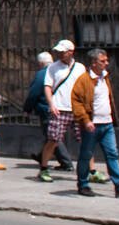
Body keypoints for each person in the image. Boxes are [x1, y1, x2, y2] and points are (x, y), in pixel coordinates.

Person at [70, 49, 119, 197]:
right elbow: (77, 102)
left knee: (112, 154)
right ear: (94, 63)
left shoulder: (105, 78)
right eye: (103, 61)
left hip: (107, 123)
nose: (106, 63)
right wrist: (86, 120)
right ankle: (83, 184)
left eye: (106, 61)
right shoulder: (84, 80)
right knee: (86, 155)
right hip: (92, 125)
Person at [37, 39, 94, 183]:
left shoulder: (80, 68)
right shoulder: (53, 68)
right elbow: (47, 86)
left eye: (62, 52)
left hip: (77, 109)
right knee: (53, 140)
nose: (60, 54)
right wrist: (51, 104)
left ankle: (92, 170)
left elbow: (86, 87)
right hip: (60, 108)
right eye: (58, 52)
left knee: (86, 140)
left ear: (70, 52)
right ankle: (43, 168)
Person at [23, 51, 75, 170]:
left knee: (53, 136)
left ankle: (66, 162)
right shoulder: (60, 70)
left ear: (41, 63)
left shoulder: (42, 73)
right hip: (63, 107)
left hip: (47, 108)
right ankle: (42, 156)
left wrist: (27, 109)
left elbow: (34, 93)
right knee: (51, 135)